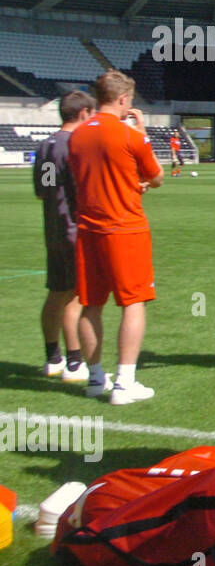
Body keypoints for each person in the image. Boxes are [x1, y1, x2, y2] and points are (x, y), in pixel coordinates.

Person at [66, 71, 163, 405]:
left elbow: (93, 177)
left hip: (88, 229)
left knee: (91, 305)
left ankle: (95, 378)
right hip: (125, 228)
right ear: (123, 99)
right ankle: (124, 382)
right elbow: (157, 176)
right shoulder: (129, 134)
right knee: (133, 303)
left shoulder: (77, 135)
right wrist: (143, 132)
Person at [34, 90, 95, 382]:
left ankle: (52, 358)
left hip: (53, 229)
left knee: (56, 293)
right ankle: (74, 363)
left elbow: (42, 190)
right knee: (75, 297)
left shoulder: (47, 145)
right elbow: (83, 189)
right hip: (73, 228)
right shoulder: (74, 145)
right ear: (83, 113)